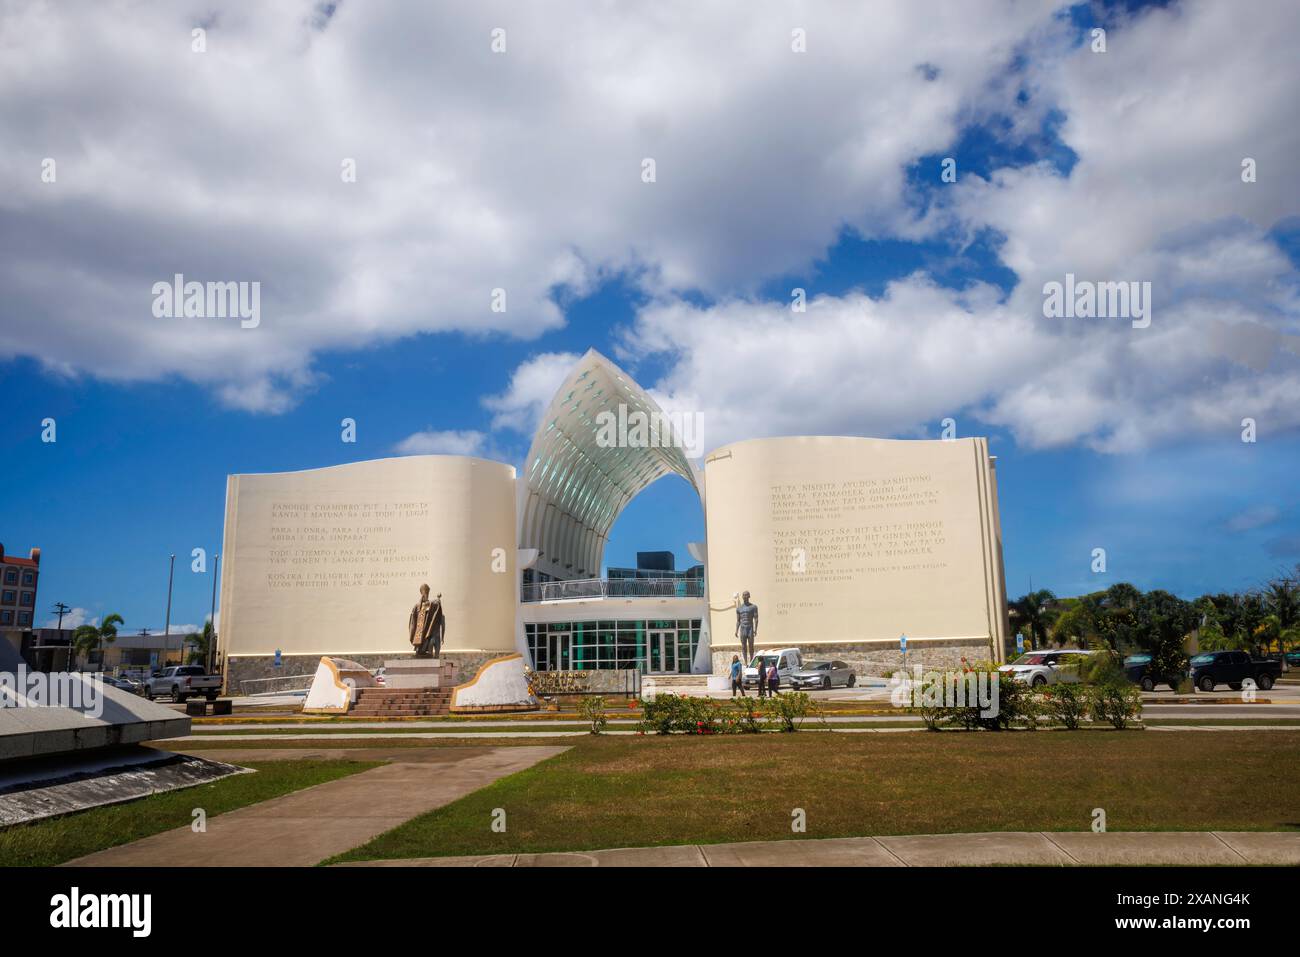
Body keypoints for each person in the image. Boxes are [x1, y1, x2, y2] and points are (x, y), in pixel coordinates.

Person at [736, 591, 758, 664]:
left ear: (749, 596)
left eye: (746, 595)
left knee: (751, 645)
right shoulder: (739, 608)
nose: (745, 596)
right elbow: (738, 621)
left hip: (750, 628)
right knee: (743, 646)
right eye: (744, 595)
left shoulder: (753, 607)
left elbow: (756, 618)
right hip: (742, 628)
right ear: (742, 597)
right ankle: (745, 662)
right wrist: (736, 630)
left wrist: (755, 629)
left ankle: (751, 661)